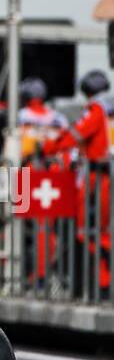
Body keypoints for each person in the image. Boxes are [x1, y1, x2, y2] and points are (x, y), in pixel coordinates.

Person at [43, 69, 111, 290]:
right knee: (96, 231)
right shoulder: (105, 111)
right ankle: (97, 282)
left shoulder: (95, 110)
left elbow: (76, 134)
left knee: (90, 231)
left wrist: (47, 147)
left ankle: (101, 283)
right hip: (100, 176)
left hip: (96, 178)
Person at [18, 77, 67, 159]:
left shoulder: (20, 115)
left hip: (27, 168)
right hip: (56, 169)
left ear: (25, 96)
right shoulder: (59, 117)